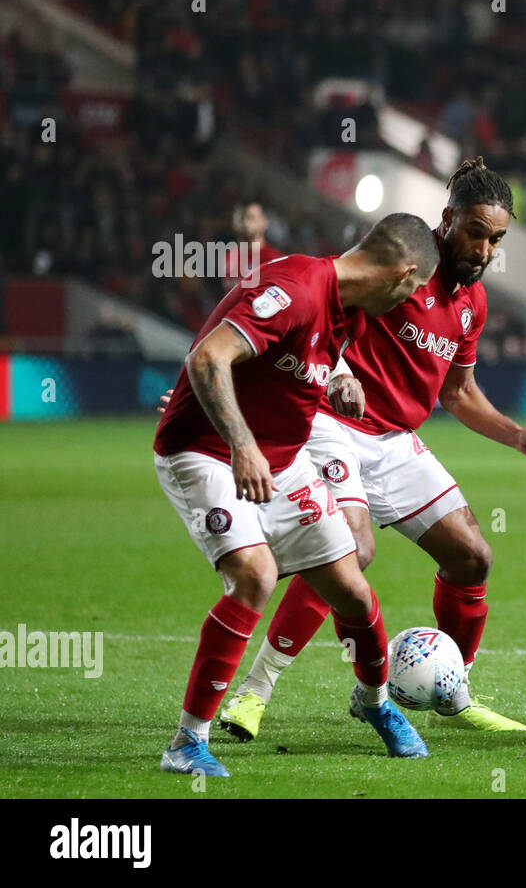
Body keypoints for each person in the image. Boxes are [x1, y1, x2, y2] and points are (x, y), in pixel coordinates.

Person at [213, 158, 526, 739]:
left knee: (472, 556)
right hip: (332, 423)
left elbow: (459, 392)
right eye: (476, 231)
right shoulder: (403, 259)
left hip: (396, 442)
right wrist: (340, 370)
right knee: (350, 549)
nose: (483, 248)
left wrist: (518, 435)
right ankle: (253, 692)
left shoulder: (472, 304)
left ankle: (451, 691)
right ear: (448, 219)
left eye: (496, 238)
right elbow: (321, 307)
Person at [153, 213, 440, 776]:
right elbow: (208, 358)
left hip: (281, 461)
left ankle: (375, 703)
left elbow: (302, 355)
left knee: (353, 591)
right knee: (255, 575)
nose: (409, 302)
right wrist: (242, 445)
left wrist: (338, 377)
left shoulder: (347, 311)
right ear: (404, 275)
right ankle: (187, 742)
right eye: (414, 290)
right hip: (208, 452)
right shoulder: (295, 288)